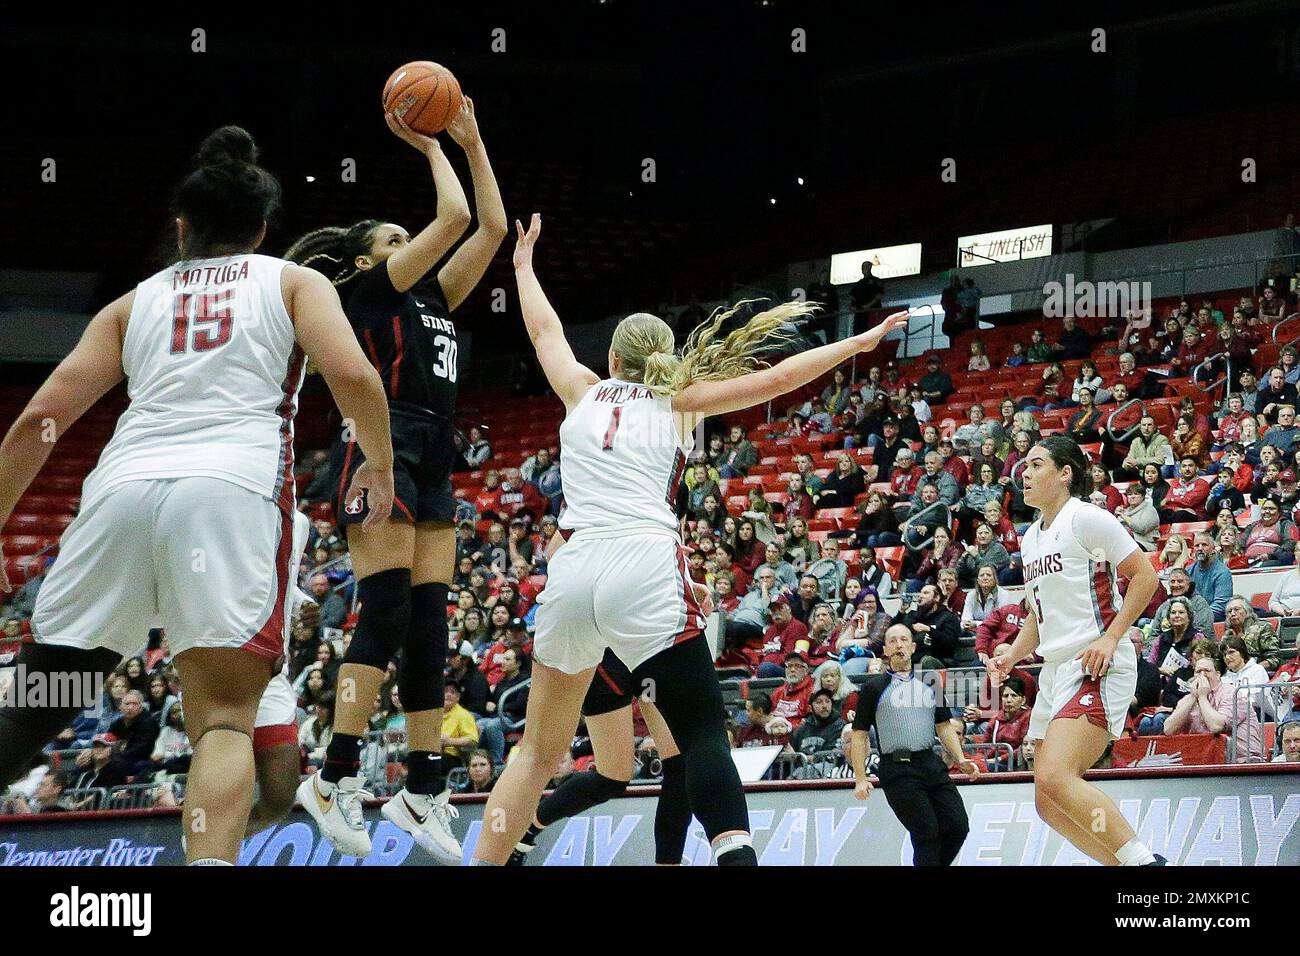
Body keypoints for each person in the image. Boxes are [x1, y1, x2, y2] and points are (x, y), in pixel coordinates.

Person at [0, 126, 395, 866]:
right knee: (222, 722)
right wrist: (380, 464)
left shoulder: (132, 302)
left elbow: (36, 421)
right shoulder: (293, 281)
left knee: (42, 695)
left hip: (118, 493)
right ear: (263, 231)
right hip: (230, 491)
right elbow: (357, 379)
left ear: (182, 229)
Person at [471, 212, 909, 866]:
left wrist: (523, 268)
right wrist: (857, 344)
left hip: (571, 570)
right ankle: (732, 853)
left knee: (535, 752)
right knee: (702, 733)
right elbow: (781, 377)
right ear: (661, 360)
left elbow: (543, 328)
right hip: (643, 563)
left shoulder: (580, 390)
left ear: (613, 359)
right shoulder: (681, 403)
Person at [287, 99, 506, 864]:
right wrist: (427, 143)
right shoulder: (367, 293)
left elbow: (491, 230)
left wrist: (473, 142)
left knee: (432, 627)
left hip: (436, 449)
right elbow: (452, 218)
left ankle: (422, 788)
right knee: (382, 614)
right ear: (363, 261)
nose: (408, 244)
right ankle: (334, 776)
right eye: (394, 239)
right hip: (382, 443)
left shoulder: (435, 298)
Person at [988, 435, 1164, 866]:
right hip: (1054, 668)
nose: (1023, 474)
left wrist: (1111, 637)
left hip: (1094, 660)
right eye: (1023, 466)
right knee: (1048, 802)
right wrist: (1012, 653)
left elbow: (1145, 578)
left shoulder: (1088, 519)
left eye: (1036, 465)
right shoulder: (1030, 539)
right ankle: (1124, 865)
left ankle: (1146, 864)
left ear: (1065, 474)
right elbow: (1039, 611)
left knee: (1056, 775)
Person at [849, 624, 978, 866]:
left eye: (904, 640)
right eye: (893, 641)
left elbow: (944, 726)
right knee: (926, 832)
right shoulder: (873, 688)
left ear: (913, 646)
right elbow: (859, 735)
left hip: (930, 762)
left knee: (958, 825)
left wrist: (960, 759)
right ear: (885, 649)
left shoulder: (930, 683)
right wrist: (860, 777)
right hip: (897, 769)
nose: (899, 645)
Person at [1162, 654, 1262, 763]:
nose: (1202, 675)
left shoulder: (1234, 694)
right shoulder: (1188, 699)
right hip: (1203, 762)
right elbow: (1168, 729)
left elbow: (1216, 726)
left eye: (1207, 671)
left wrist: (1202, 697)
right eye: (1198, 671)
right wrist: (1192, 697)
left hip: (1242, 762)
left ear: (1218, 675)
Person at [897, 583, 961, 668]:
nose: (920, 596)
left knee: (926, 661)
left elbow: (950, 644)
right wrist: (901, 612)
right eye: (920, 593)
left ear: (936, 598)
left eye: (926, 593)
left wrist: (929, 630)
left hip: (938, 662)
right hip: (910, 661)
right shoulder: (911, 616)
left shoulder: (948, 617)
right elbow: (892, 633)